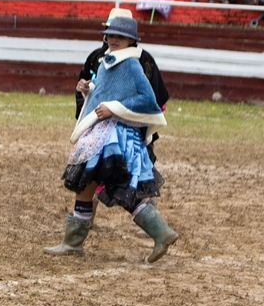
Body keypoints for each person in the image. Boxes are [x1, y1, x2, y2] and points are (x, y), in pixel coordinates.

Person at [46, 16, 177, 263]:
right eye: (110, 35)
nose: (113, 39)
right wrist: (89, 89)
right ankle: (72, 242)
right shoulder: (108, 59)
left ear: (131, 40)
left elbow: (147, 99)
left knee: (118, 186)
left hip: (114, 137)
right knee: (88, 184)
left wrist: (114, 108)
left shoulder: (131, 64)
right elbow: (108, 90)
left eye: (120, 36)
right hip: (101, 134)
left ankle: (161, 232)